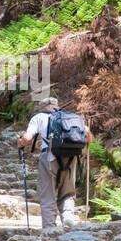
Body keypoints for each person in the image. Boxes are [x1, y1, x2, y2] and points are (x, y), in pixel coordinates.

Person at [17, 95, 93, 230]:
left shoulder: (39, 118)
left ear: (42, 107)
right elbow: (88, 138)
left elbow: (28, 138)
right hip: (70, 157)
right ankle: (68, 219)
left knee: (47, 194)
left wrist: (20, 142)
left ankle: (49, 229)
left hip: (49, 157)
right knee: (68, 192)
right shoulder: (71, 117)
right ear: (57, 106)